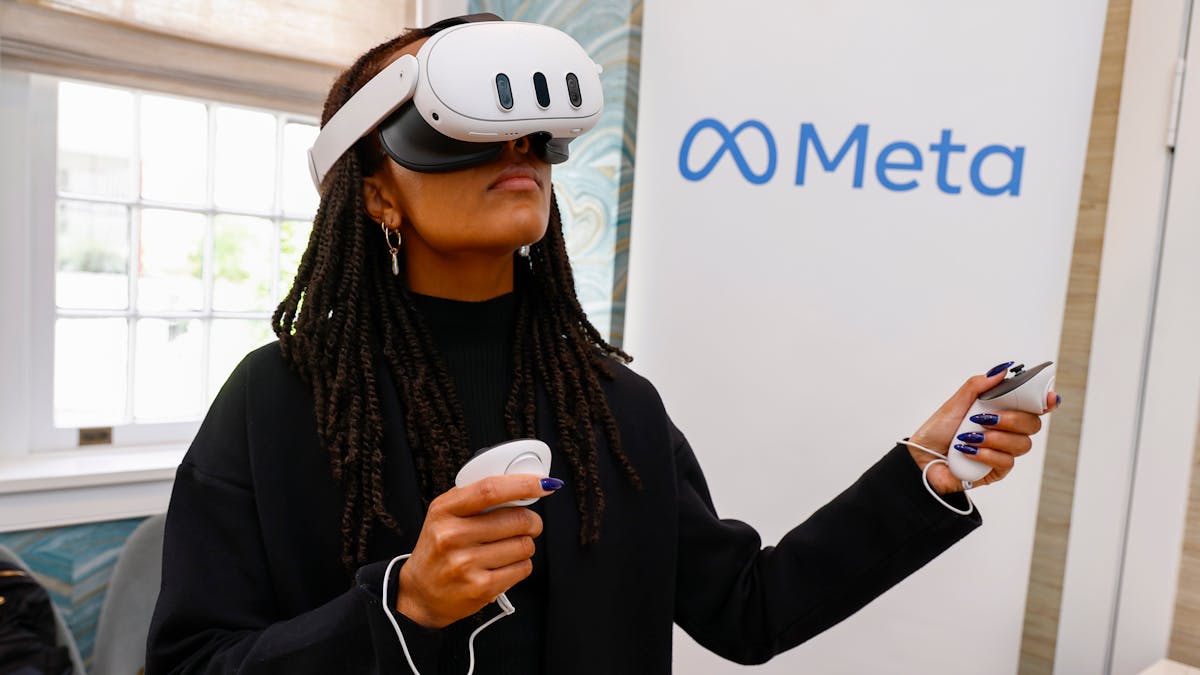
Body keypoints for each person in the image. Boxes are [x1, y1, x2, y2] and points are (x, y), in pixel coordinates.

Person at [145, 14, 1059, 675]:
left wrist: (925, 471)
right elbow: (192, 661)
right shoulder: (279, 399)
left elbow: (748, 608)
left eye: (530, 135)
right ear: (378, 192)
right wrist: (402, 607)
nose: (516, 148)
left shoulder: (614, 406)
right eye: (463, 126)